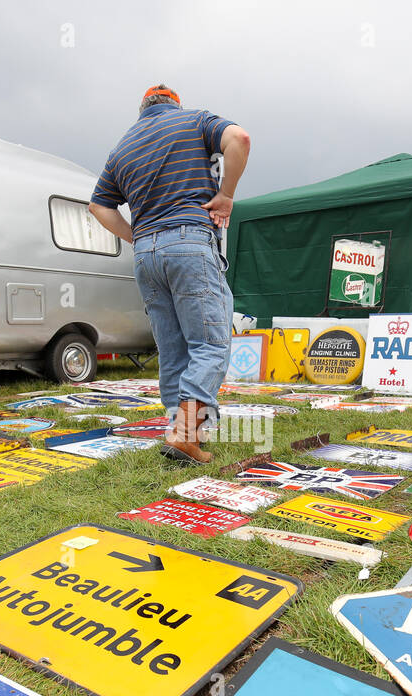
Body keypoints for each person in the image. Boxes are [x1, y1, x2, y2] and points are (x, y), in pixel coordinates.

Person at [89, 84, 251, 465]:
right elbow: (240, 140)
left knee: (173, 350)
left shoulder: (122, 148)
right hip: (189, 241)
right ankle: (184, 435)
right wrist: (226, 195)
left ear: (142, 109)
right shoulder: (194, 120)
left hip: (146, 255)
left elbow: (98, 207)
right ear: (173, 104)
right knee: (209, 343)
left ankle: (179, 434)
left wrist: (139, 237)